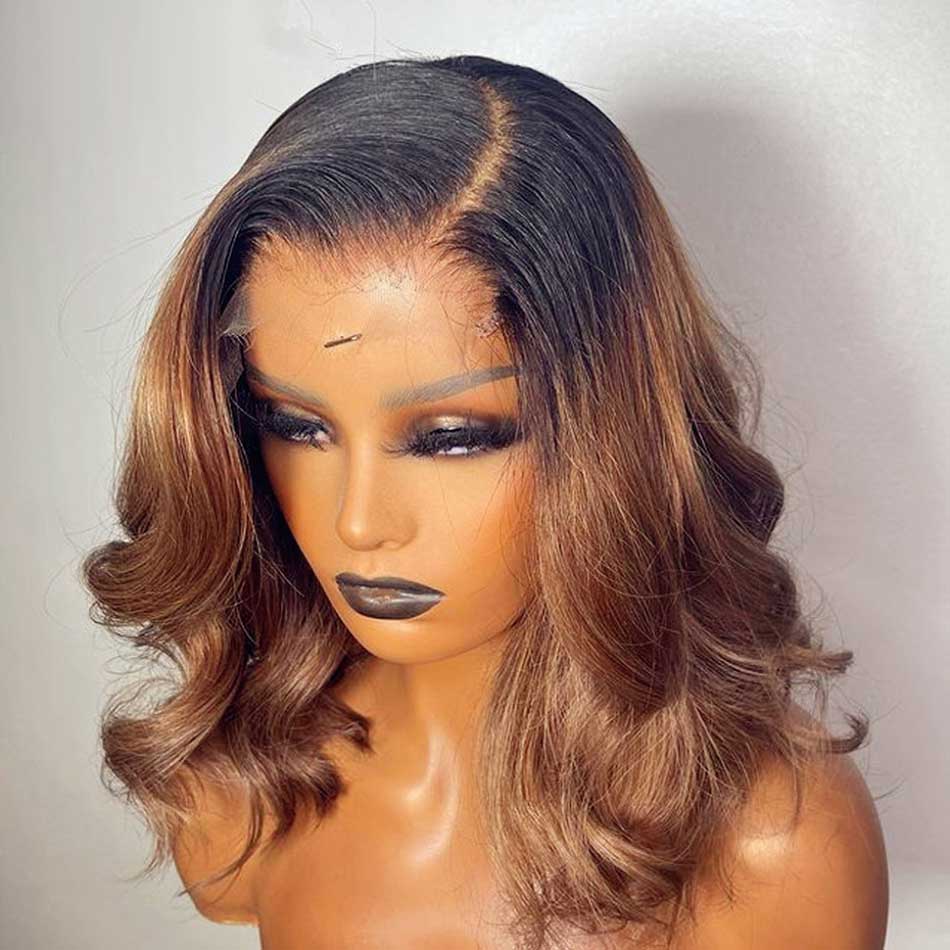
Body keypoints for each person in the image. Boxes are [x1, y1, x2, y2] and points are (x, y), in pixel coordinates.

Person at [81, 55, 888, 949]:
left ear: (610, 432)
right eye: (297, 425)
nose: (359, 522)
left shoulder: (771, 845)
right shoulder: (243, 785)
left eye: (453, 438)